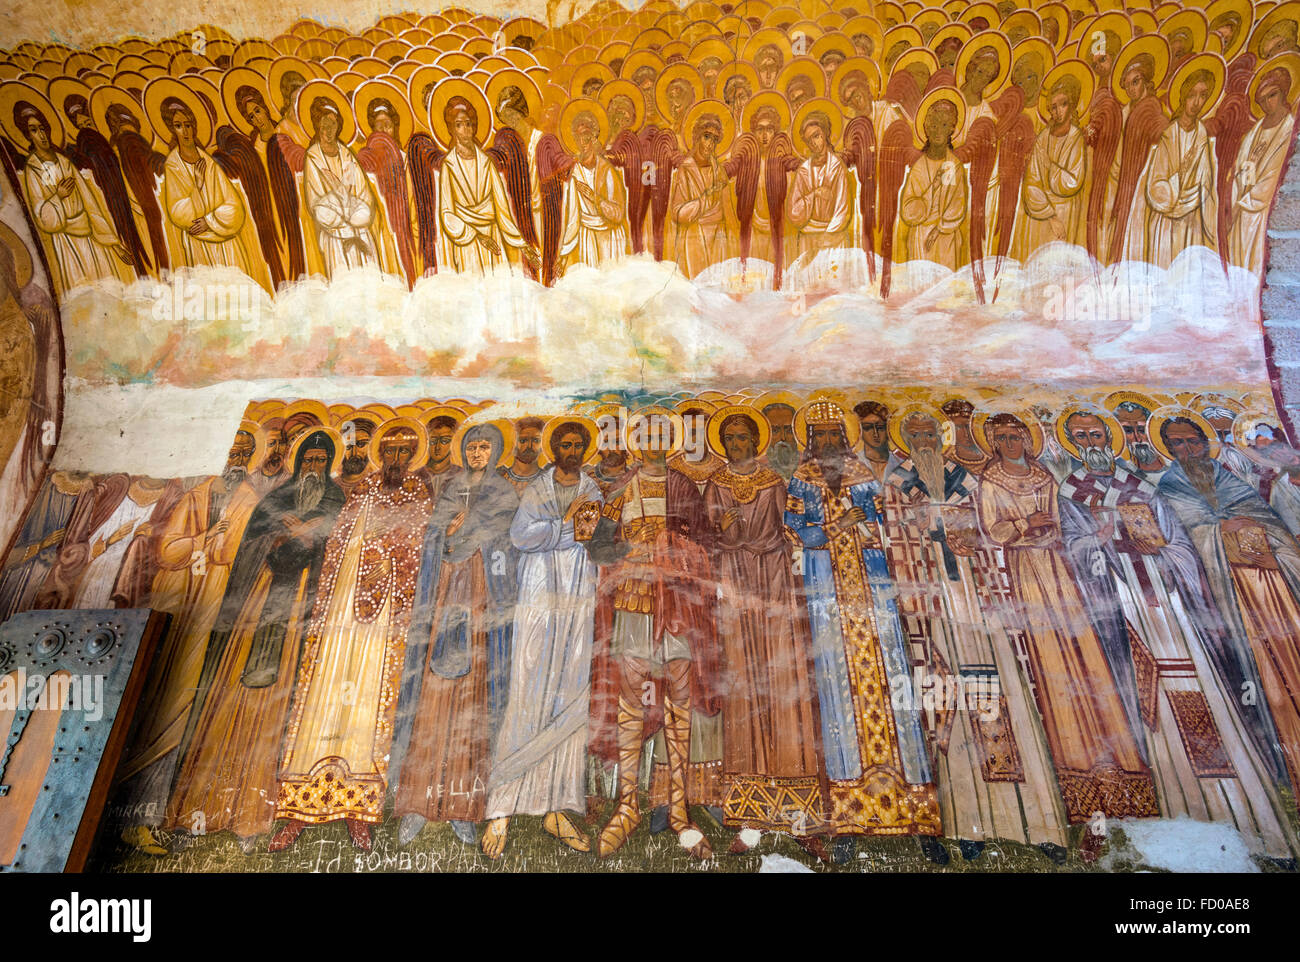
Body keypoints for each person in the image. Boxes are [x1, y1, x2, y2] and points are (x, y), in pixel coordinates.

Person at [1057, 410, 1296, 860]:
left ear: (1110, 438)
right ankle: (1177, 807)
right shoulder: (1072, 491)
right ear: (1071, 441)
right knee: (1154, 703)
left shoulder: (1146, 487)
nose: (1091, 441)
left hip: (1173, 608)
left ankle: (1249, 816)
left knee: (1206, 693)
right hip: (1125, 604)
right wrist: (1100, 541)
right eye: (1080, 435)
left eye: (1097, 433)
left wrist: (1166, 555)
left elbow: (1183, 545)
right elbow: (1071, 547)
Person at [885, 408, 1068, 862]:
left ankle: (1035, 821)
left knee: (1004, 696)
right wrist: (926, 531)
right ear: (906, 440)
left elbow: (989, 530)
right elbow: (891, 537)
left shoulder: (962, 478)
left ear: (941, 436)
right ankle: (967, 822)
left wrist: (968, 537)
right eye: (916, 434)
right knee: (946, 708)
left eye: (931, 433)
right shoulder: (896, 482)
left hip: (978, 601)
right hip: (932, 606)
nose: (925, 440)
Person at [975, 412, 1158, 861]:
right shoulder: (991, 481)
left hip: (1063, 570)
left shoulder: (1044, 474)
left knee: (1090, 662)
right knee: (1054, 667)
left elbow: (1067, 523)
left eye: (1016, 434)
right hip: (1026, 573)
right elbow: (991, 528)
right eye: (1001, 437)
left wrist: (1061, 528)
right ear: (994, 443)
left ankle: (1123, 784)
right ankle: (1076, 787)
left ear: (1027, 438)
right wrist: (1024, 525)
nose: (1010, 441)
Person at [168, 430, 345, 850]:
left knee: (276, 709)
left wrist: (309, 536)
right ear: (299, 462)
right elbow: (248, 542)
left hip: (293, 621)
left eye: (321, 461)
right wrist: (278, 537)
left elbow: (336, 555)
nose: (313, 467)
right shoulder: (275, 498)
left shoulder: (337, 502)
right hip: (253, 609)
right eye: (309, 460)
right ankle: (197, 811)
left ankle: (253, 818)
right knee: (222, 701)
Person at [785, 400, 943, 863]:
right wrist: (835, 526)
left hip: (875, 595)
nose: (829, 443)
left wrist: (868, 525)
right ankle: (849, 818)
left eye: (836, 435)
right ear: (811, 441)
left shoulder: (866, 476)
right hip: (827, 593)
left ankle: (919, 818)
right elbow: (794, 528)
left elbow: (894, 520)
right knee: (837, 694)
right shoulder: (802, 479)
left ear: (844, 437)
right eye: (821, 437)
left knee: (897, 697)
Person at [270, 423, 435, 852]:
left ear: (415, 453)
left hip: (383, 619)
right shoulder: (359, 490)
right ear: (381, 452)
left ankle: (357, 811)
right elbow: (338, 541)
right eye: (392, 449)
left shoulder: (418, 492)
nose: (398, 457)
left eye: (406, 449)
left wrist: (393, 564)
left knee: (368, 699)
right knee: (319, 700)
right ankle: (296, 812)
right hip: (340, 608)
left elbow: (416, 542)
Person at [586, 408, 719, 859]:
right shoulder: (621, 488)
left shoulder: (683, 486)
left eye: (662, 436)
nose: (653, 444)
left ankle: (678, 809)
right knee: (631, 698)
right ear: (635, 441)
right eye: (645, 436)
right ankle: (627, 806)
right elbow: (601, 546)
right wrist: (630, 549)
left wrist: (673, 551)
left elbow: (708, 544)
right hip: (634, 602)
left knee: (678, 701)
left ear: (671, 441)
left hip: (677, 605)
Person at [1155, 412, 1300, 799]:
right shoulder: (1171, 486)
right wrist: (1218, 530)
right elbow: (1179, 538)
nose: (1188, 450)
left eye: (1194, 441)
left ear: (1206, 442)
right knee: (1265, 674)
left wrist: (1255, 528)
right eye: (1179, 444)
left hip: (1274, 585)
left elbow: (1266, 518)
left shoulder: (1224, 475)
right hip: (1232, 596)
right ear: (1169, 449)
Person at [703, 408, 826, 855]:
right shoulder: (715, 485)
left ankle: (801, 817)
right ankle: (751, 819)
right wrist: (723, 531)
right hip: (735, 582)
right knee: (744, 686)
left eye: (742, 438)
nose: (736, 445)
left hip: (773, 580)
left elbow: (794, 529)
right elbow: (708, 537)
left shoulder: (776, 482)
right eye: (729, 439)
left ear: (755, 441)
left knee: (785, 683)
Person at [481, 419, 603, 859]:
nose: (571, 450)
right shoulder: (537, 489)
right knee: (528, 688)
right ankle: (503, 807)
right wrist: (564, 528)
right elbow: (521, 537)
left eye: (578, 445)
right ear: (554, 448)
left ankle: (556, 807)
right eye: (564, 444)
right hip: (537, 594)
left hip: (577, 592)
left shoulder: (593, 490)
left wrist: (559, 531)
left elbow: (588, 534)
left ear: (585, 449)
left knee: (569, 692)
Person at [395, 423, 520, 847]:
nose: (478, 453)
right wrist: (447, 537)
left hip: (480, 604)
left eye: (486, 447)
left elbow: (508, 543)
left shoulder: (504, 492)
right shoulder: (450, 488)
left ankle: (463, 808)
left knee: (473, 704)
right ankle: (416, 804)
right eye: (473, 447)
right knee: (431, 701)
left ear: (497, 451)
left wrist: (477, 535)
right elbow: (433, 537)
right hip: (447, 597)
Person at [13, 101, 133, 294]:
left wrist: (114, 243)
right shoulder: (32, 170)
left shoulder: (65, 162)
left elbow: (90, 204)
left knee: (110, 291)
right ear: (28, 135)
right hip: (67, 242)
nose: (41, 135)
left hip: (92, 238)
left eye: (42, 128)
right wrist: (57, 197)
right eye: (34, 130)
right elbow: (42, 216)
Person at [437, 97, 540, 276]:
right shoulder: (449, 165)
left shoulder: (486, 163)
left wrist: (523, 245)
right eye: (459, 124)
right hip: (467, 240)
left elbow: (502, 208)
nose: (465, 129)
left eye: (469, 123)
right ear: (452, 129)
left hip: (493, 235)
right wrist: (476, 235)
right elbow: (447, 212)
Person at [1227, 66, 1296, 277]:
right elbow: (1239, 168)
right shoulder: (1253, 133)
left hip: (1259, 213)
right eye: (1262, 100)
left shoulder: (1289, 130)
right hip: (1240, 210)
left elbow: (1274, 174)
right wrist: (1234, 202)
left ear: (1284, 92)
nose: (1267, 103)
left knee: (1253, 266)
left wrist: (1245, 203)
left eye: (1272, 95)